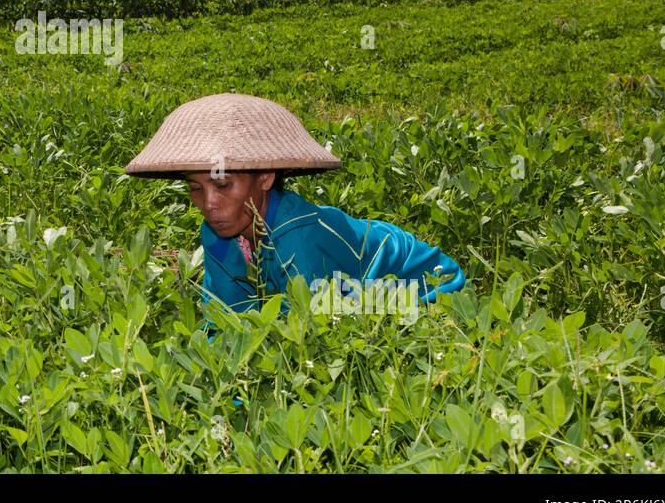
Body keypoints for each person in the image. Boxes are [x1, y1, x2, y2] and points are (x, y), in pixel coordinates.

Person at [125, 93, 466, 339]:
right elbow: (227, 313)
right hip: (351, 297)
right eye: (196, 188)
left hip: (423, 284)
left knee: (369, 336)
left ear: (265, 178)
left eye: (223, 185)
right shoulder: (217, 232)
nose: (209, 204)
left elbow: (306, 329)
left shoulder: (299, 236)